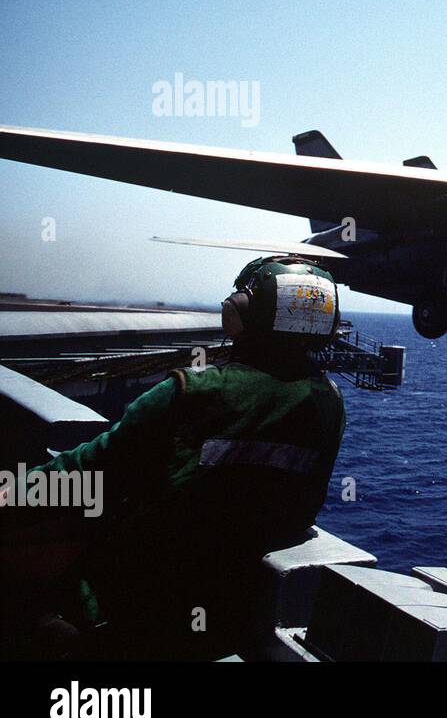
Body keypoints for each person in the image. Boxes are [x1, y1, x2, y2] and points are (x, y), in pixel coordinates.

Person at [1, 256, 346, 659]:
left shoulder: (191, 391)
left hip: (135, 597)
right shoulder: (329, 405)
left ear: (239, 314)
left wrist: (11, 492)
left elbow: (87, 471)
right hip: (230, 608)